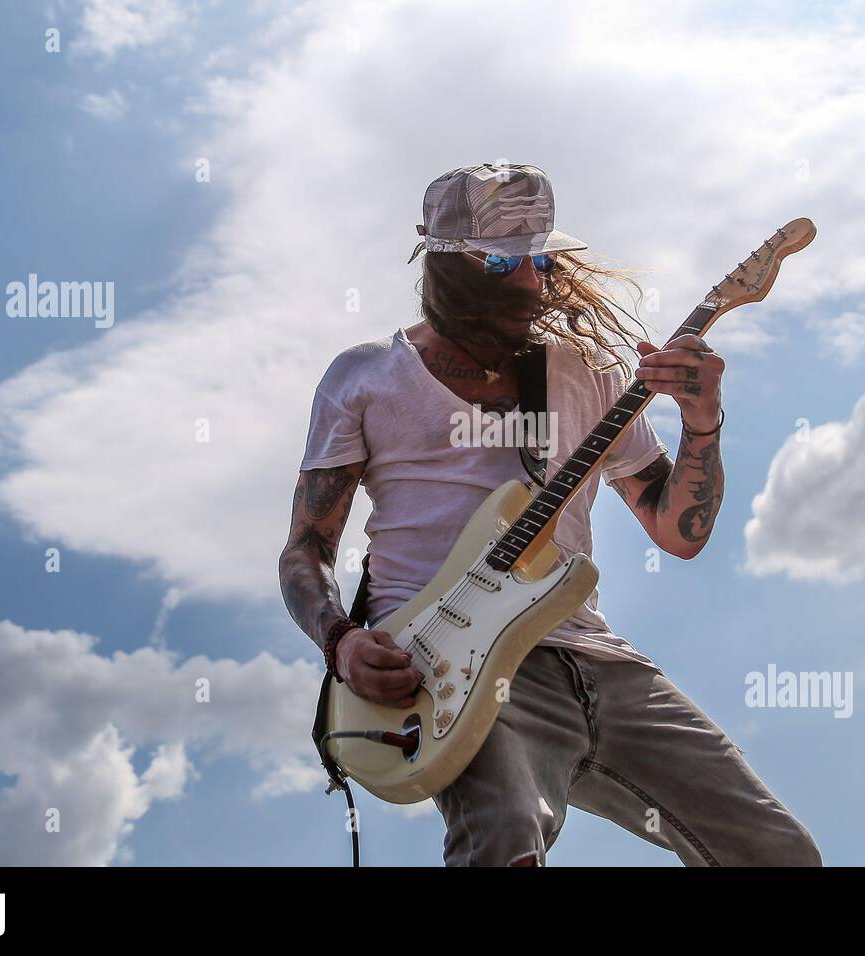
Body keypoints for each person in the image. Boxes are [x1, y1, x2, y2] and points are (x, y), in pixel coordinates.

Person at [279, 163, 821, 867]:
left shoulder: (586, 374)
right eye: (505, 260)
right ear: (442, 267)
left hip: (599, 659)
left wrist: (702, 418)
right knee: (505, 841)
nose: (532, 281)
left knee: (779, 853)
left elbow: (676, 531)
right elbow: (306, 548)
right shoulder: (364, 377)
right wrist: (341, 641)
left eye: (541, 258)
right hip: (453, 670)